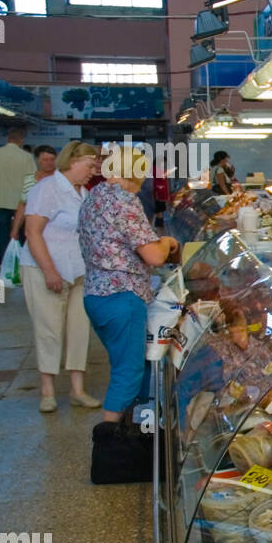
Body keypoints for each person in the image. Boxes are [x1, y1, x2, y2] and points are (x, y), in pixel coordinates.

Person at [79, 145, 179, 423]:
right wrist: (167, 242)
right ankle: (110, 443)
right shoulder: (124, 201)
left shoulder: (95, 196)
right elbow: (155, 256)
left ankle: (135, 430)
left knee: (129, 365)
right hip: (122, 297)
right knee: (128, 372)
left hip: (96, 295)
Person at [20, 141, 99, 413]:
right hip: (44, 268)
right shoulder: (47, 189)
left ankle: (78, 390)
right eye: (89, 166)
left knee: (79, 330)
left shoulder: (84, 192)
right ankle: (48, 391)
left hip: (79, 270)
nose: (92, 171)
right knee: (49, 329)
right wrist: (50, 271)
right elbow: (32, 233)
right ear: (72, 162)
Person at [0, 127, 36, 272]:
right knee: (23, 234)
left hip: (0, 200)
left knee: (3, 234)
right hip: (21, 202)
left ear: (7, 139)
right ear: (21, 140)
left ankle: (7, 265)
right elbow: (31, 180)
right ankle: (23, 265)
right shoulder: (27, 157)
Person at [10, 145, 59, 242]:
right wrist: (15, 230)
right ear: (37, 160)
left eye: (52, 159)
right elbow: (23, 205)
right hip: (32, 229)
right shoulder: (29, 179)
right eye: (45, 160)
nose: (49, 163)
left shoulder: (61, 179)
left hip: (55, 229)